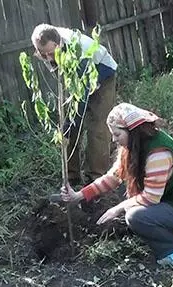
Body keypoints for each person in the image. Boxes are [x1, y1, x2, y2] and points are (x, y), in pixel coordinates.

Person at [60, 103, 173, 265]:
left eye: (117, 134)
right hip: (171, 202)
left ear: (131, 130)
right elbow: (113, 177)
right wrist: (79, 196)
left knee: (135, 216)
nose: (114, 139)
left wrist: (117, 208)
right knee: (133, 209)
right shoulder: (135, 146)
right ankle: (169, 231)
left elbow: (151, 198)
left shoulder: (158, 153)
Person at [31, 23, 117, 185]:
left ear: (58, 44)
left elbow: (82, 95)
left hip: (103, 73)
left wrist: (71, 124)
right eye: (43, 54)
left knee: (97, 127)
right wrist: (68, 126)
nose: (48, 58)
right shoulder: (46, 45)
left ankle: (95, 179)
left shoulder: (79, 50)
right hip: (75, 78)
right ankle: (72, 178)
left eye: (50, 53)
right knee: (67, 129)